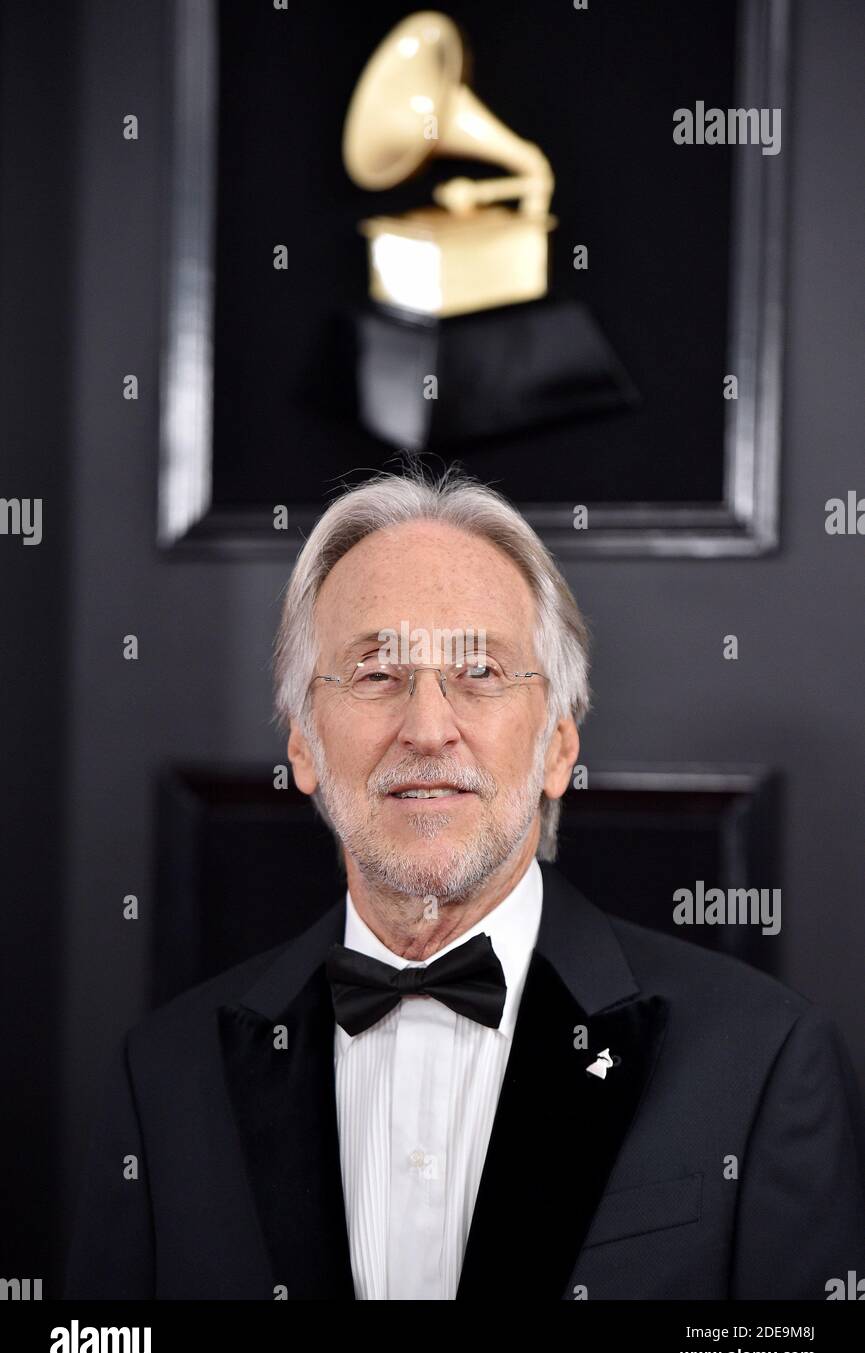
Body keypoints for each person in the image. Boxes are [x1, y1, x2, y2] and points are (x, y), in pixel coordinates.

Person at [64, 463, 865, 1300]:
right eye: (376, 672)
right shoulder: (162, 1075)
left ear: (558, 745)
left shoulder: (761, 1059)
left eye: (478, 672)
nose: (427, 727)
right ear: (303, 744)